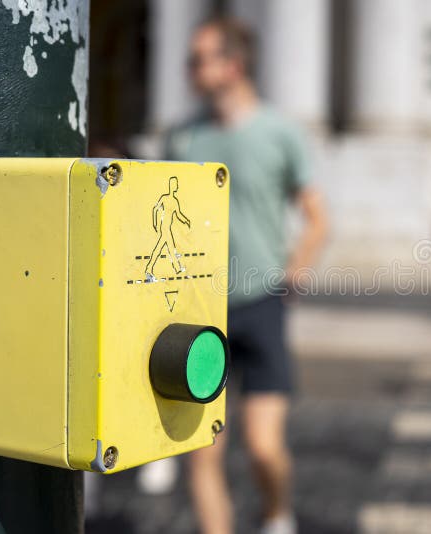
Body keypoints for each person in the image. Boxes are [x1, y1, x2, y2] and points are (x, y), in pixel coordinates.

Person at [168, 17, 327, 534]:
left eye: (199, 59)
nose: (189, 69)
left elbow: (317, 217)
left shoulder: (280, 133)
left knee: (264, 447)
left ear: (232, 65)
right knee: (201, 455)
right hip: (198, 310)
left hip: (261, 302)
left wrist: (292, 277)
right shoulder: (182, 137)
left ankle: (278, 512)